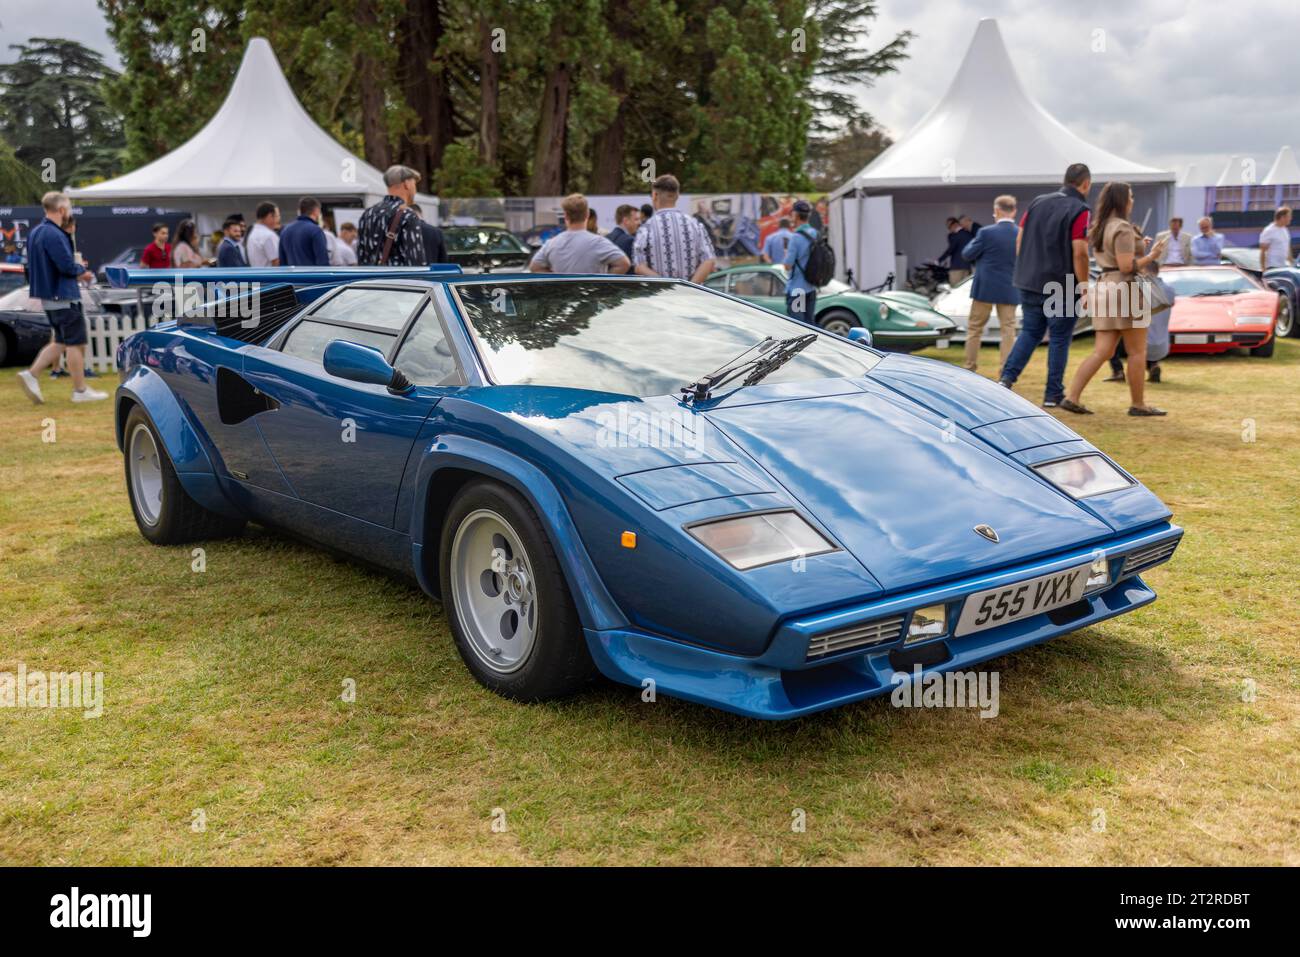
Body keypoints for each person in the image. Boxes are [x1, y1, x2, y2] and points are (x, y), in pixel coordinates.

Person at [1061, 181, 1168, 416]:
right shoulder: (1122, 227)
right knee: (1137, 351)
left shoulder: (1099, 226)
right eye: (1130, 196)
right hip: (1125, 289)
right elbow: (1127, 266)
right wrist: (1152, 255)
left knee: (1102, 351)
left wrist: (1139, 247)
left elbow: (1116, 257)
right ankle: (1138, 404)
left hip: (1104, 287)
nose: (1132, 200)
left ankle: (1072, 396)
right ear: (1122, 200)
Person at [999, 163, 1094, 408]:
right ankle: (1052, 394)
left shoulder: (1037, 202)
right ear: (1085, 184)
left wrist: (1026, 268)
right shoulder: (1081, 210)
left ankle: (1006, 379)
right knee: (1060, 338)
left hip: (1029, 280)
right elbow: (1080, 252)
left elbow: (1020, 240)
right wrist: (1084, 287)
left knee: (1030, 332)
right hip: (1061, 285)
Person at [15, 192, 106, 404]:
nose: (70, 213)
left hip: (49, 297)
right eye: (70, 209)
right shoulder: (54, 234)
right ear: (62, 210)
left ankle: (32, 374)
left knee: (62, 341)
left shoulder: (36, 233)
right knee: (75, 342)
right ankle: (80, 391)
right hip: (63, 295)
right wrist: (80, 269)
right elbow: (65, 266)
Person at [960, 195, 1019, 373]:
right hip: (1010, 287)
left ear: (996, 211)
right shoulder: (1020, 232)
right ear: (1014, 211)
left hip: (985, 287)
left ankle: (970, 367)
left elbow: (967, 254)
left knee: (974, 329)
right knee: (1008, 329)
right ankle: (1005, 371)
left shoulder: (986, 232)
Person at [632, 174, 715, 283]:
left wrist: (669, 286)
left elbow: (639, 266)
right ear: (677, 195)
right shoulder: (695, 224)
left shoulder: (646, 228)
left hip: (659, 297)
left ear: (655, 195)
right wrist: (689, 287)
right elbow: (709, 261)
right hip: (692, 297)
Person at [1106, 260, 1173, 384]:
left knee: (1109, 338)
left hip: (1141, 344)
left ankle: (1118, 371)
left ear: (1144, 271)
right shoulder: (1169, 289)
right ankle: (1153, 365)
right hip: (1162, 347)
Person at [529, 193, 629, 274]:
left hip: (561, 296)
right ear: (587, 214)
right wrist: (603, 283)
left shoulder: (551, 243)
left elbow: (534, 267)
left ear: (565, 216)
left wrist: (555, 280)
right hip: (592, 296)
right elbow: (624, 264)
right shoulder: (598, 242)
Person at [357, 165, 427, 266]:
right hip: (398, 280)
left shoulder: (368, 214)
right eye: (414, 184)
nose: (415, 190)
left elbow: (361, 256)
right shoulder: (408, 215)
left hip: (370, 280)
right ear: (407, 184)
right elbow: (416, 262)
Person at [782, 199, 819, 323]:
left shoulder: (796, 237)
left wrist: (787, 254)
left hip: (797, 290)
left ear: (796, 215)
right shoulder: (815, 234)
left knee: (798, 328)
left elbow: (787, 266)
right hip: (811, 288)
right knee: (810, 326)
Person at [278, 197, 330, 266]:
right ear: (316, 210)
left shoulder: (285, 231)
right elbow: (323, 261)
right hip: (312, 276)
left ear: (300, 211)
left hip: (292, 276)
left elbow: (282, 262)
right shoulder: (316, 231)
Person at [937, 217, 973, 284]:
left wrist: (939, 260)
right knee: (964, 289)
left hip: (957, 267)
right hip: (967, 266)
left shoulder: (956, 236)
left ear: (955, 224)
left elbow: (950, 249)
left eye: (949, 226)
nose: (948, 228)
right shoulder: (968, 234)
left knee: (954, 287)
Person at [1259, 206, 1294, 271]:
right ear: (1282, 217)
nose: (1291, 219)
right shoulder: (1269, 230)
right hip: (1272, 267)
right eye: (1289, 216)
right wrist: (1263, 269)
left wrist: (1292, 263)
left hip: (1284, 266)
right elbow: (1263, 252)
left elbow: (1288, 248)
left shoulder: (1285, 230)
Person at [247, 202, 281, 267]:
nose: (278, 219)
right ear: (270, 216)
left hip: (257, 274)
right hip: (270, 276)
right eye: (277, 216)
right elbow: (276, 262)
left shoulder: (252, 234)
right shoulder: (269, 235)